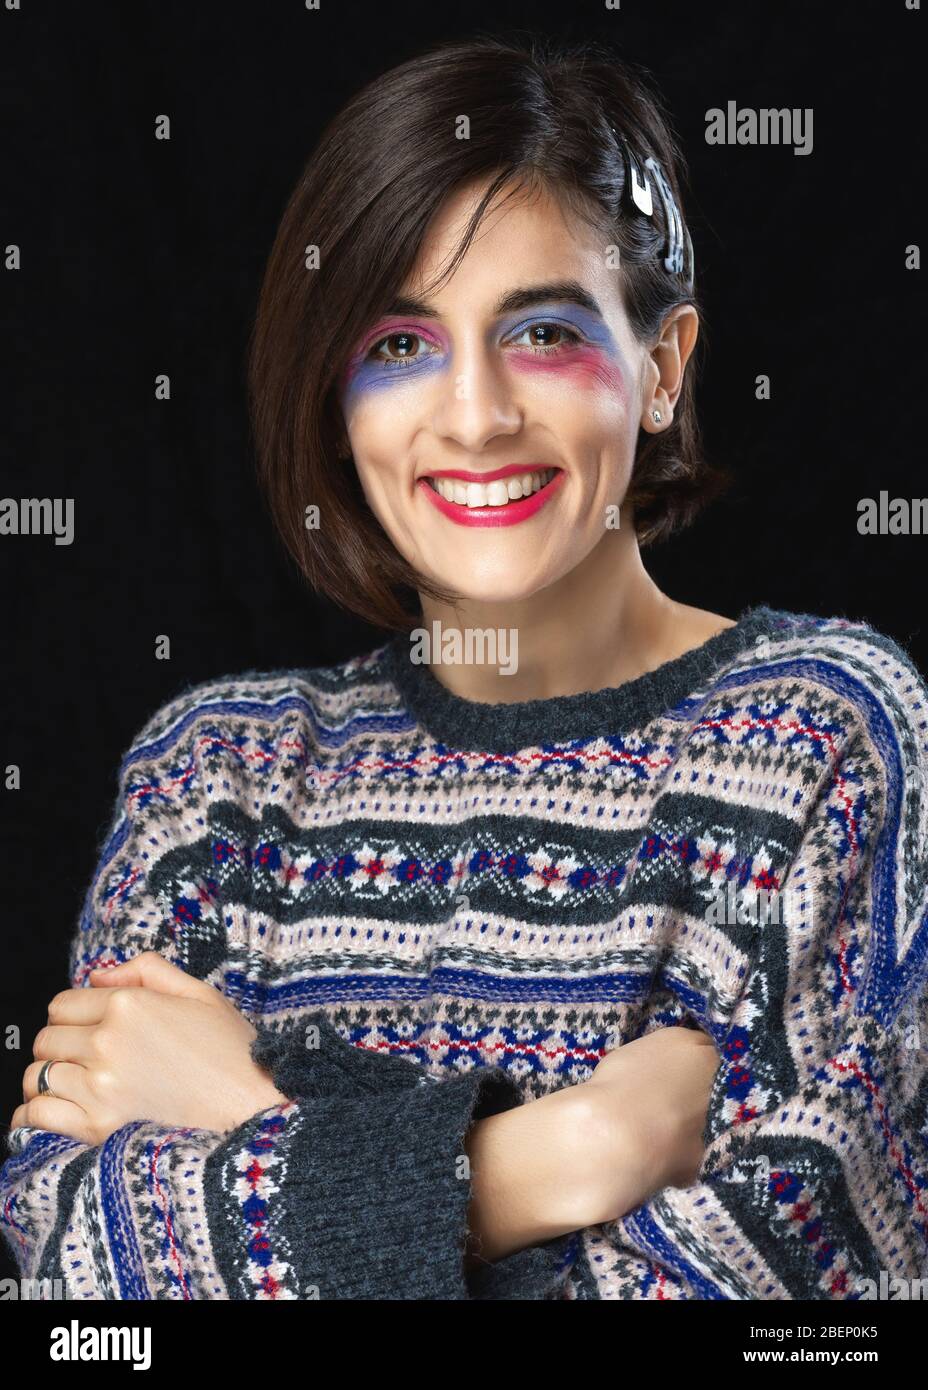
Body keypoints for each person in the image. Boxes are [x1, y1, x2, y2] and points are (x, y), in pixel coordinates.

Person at [3, 32, 927, 1301]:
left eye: (542, 331)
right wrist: (555, 1155)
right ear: (336, 401)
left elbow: (813, 1303)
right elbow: (76, 1301)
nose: (475, 412)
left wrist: (241, 1113)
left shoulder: (823, 735)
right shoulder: (217, 771)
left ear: (659, 371)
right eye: (397, 345)